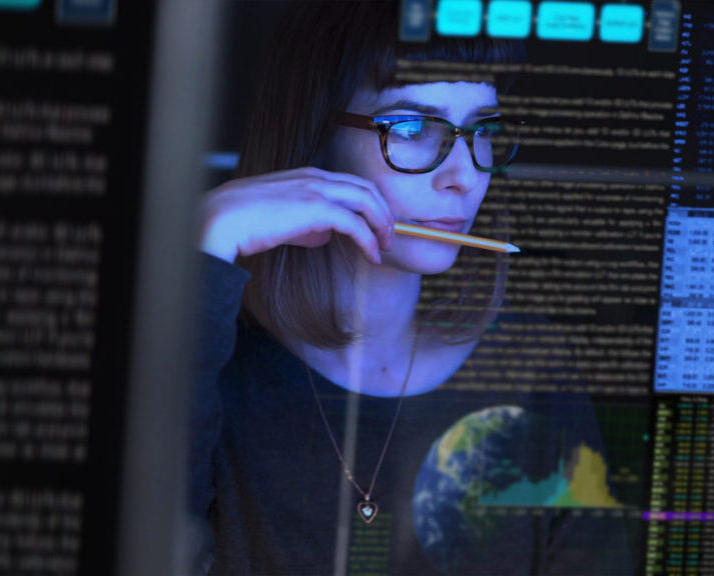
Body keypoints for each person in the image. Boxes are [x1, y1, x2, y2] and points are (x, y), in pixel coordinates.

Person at [190, 2, 631, 574]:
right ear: (314, 135)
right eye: (413, 127)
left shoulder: (532, 366)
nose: (466, 177)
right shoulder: (214, 362)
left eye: (483, 130)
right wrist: (206, 245)